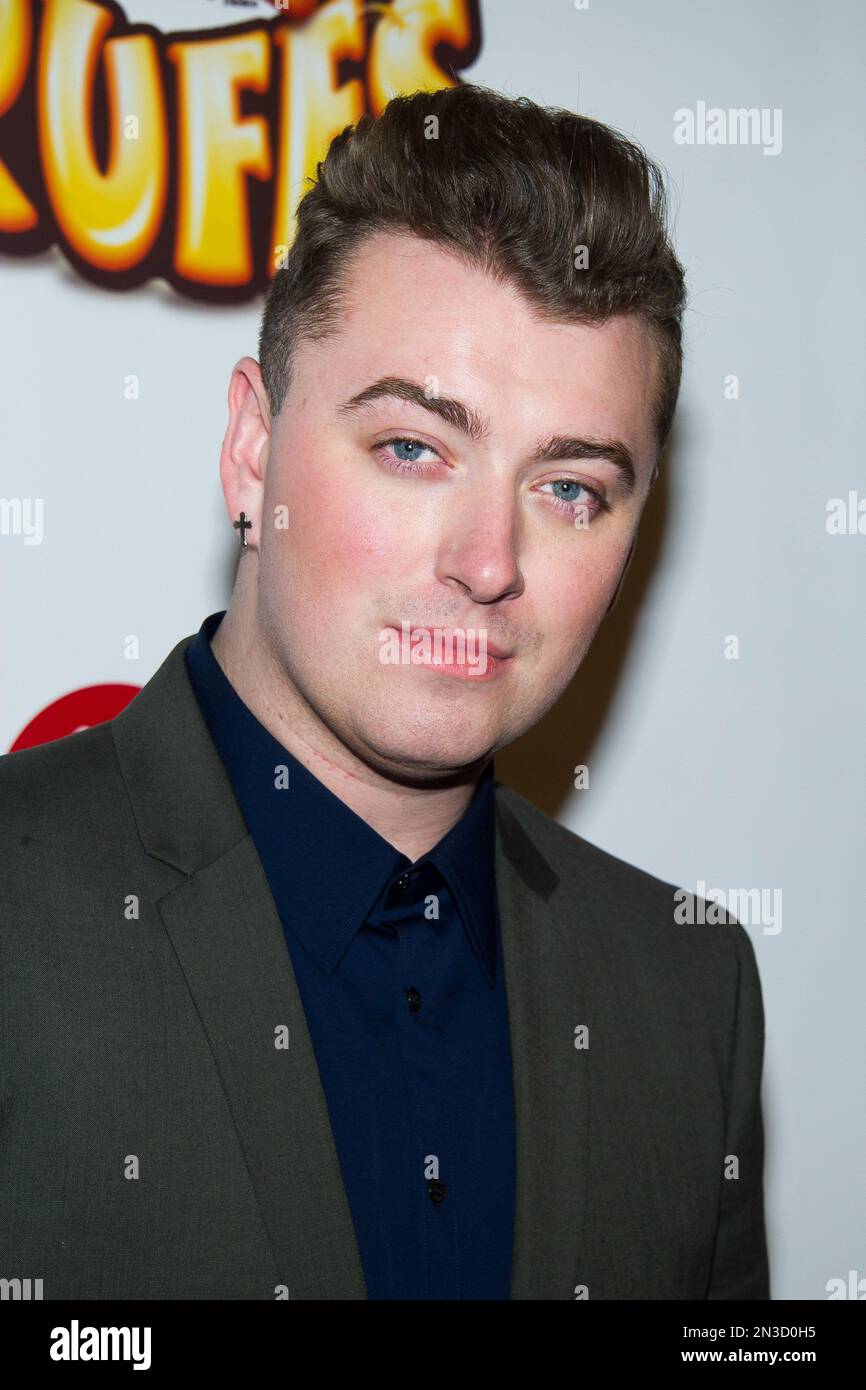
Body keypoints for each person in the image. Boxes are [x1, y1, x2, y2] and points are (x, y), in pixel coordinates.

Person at [0, 82, 769, 1300]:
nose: (486, 561)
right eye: (414, 448)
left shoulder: (686, 992)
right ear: (254, 452)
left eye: (569, 488)